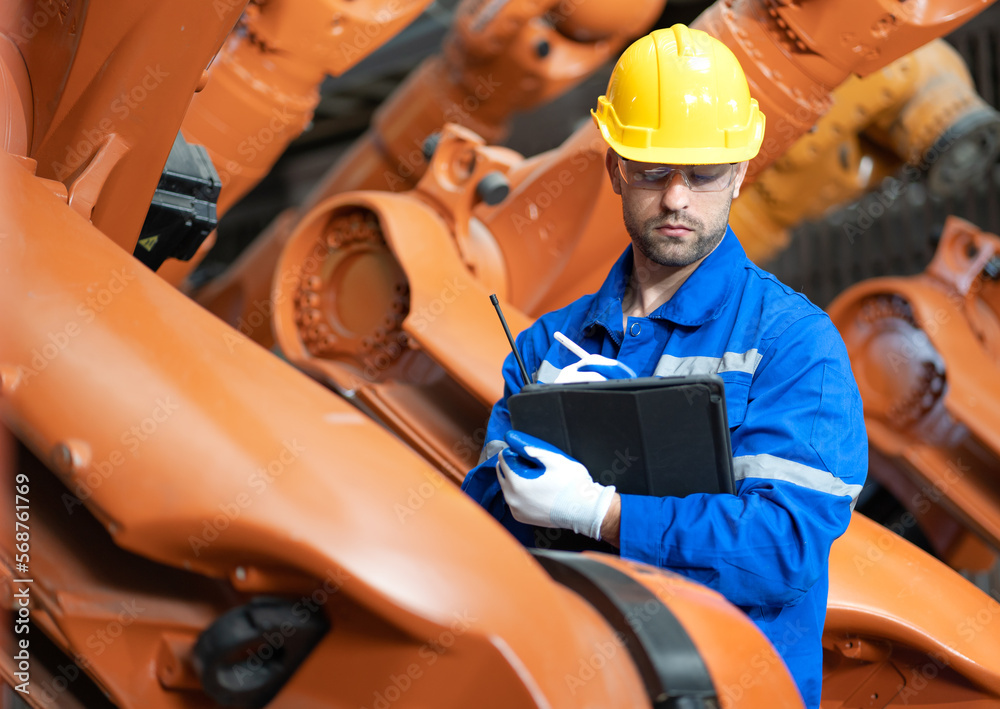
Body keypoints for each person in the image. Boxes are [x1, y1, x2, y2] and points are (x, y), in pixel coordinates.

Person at [460, 23, 867, 709]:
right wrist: (522, 475)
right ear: (615, 165)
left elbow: (782, 550)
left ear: (739, 172)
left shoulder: (795, 345)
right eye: (653, 171)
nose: (677, 198)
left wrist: (604, 510)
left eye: (703, 174)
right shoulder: (544, 350)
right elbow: (486, 552)